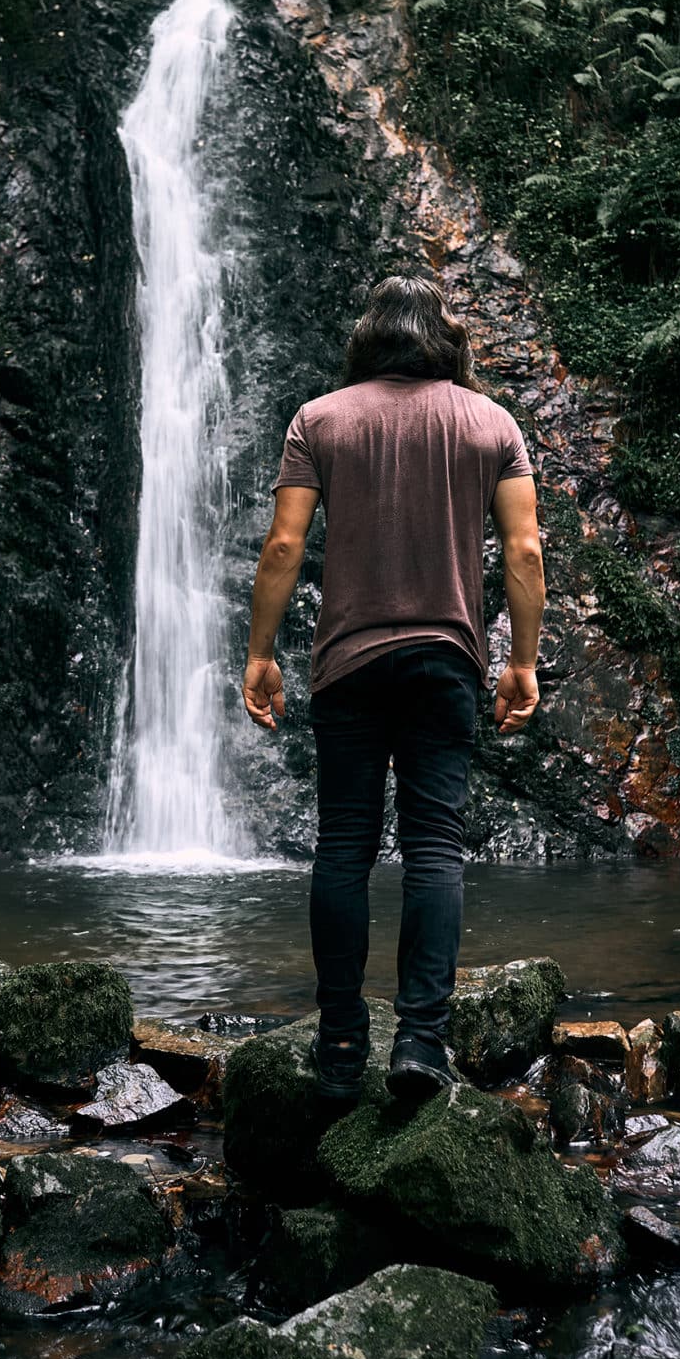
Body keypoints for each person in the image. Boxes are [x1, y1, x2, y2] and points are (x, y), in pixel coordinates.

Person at [241, 273, 545, 1101]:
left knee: (343, 845)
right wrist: (521, 662)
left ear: (368, 338)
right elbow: (523, 551)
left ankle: (340, 1043)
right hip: (447, 660)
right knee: (434, 849)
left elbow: (282, 547)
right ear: (444, 339)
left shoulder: (321, 419)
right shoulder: (492, 423)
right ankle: (419, 1043)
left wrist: (260, 653)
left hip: (347, 663)